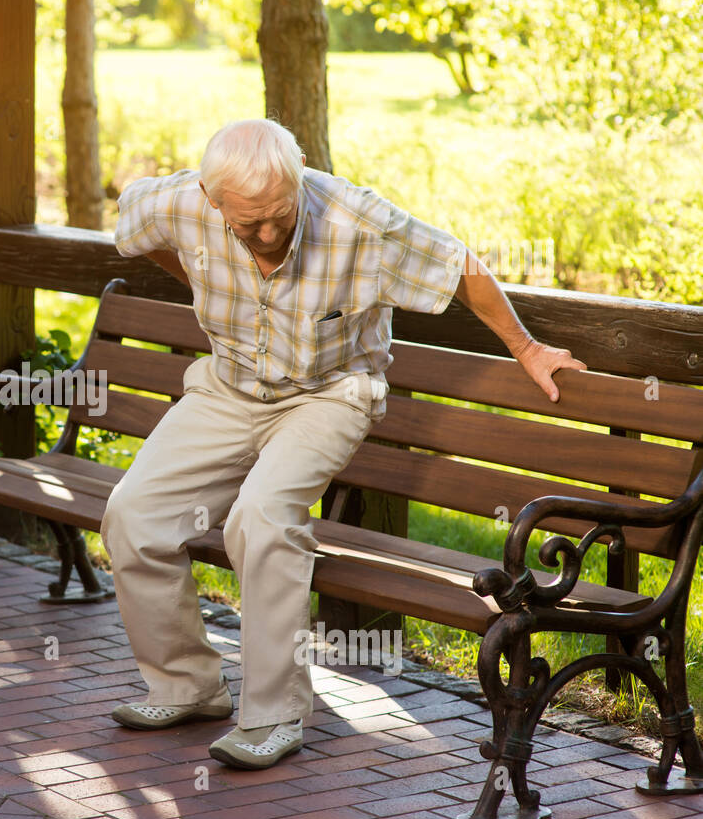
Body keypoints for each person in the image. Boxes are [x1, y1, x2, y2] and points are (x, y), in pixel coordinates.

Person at [102, 117, 586, 770]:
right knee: (132, 515)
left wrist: (526, 348)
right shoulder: (184, 202)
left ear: (298, 183)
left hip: (328, 395)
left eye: (281, 213)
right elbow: (134, 222)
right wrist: (198, 271)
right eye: (249, 224)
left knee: (263, 517)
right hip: (228, 387)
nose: (270, 233)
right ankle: (186, 685)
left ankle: (273, 716)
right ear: (212, 201)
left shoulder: (358, 220)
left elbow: (458, 264)